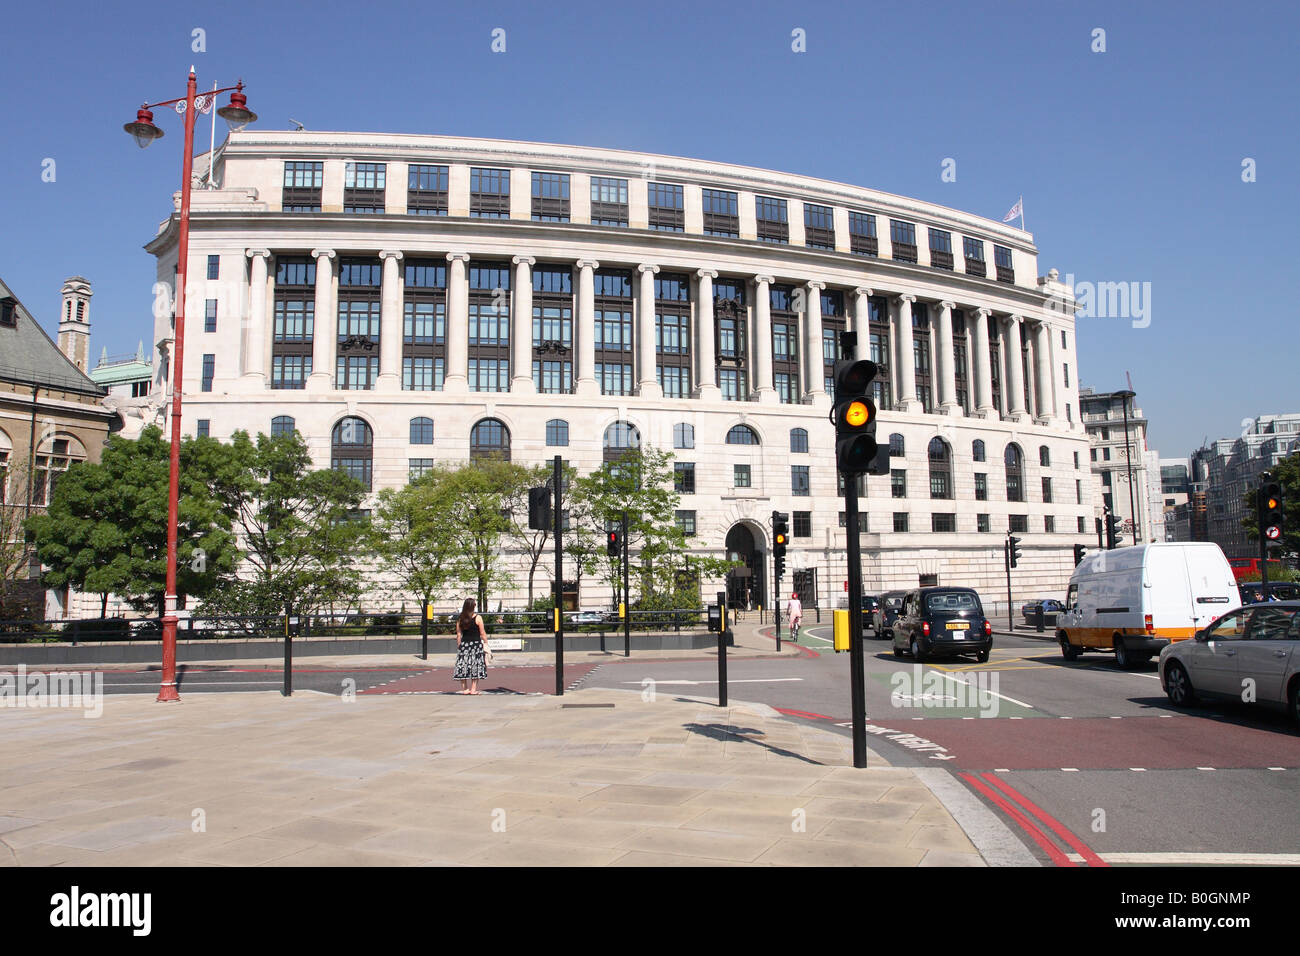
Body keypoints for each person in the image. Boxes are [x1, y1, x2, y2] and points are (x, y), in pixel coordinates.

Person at [453, 598, 488, 695]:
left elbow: (459, 634)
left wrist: (459, 646)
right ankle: (473, 689)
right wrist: (486, 643)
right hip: (476, 645)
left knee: (463, 666)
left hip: (464, 645)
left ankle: (465, 689)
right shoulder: (478, 618)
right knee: (475, 666)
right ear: (473, 606)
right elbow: (482, 632)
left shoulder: (460, 619)